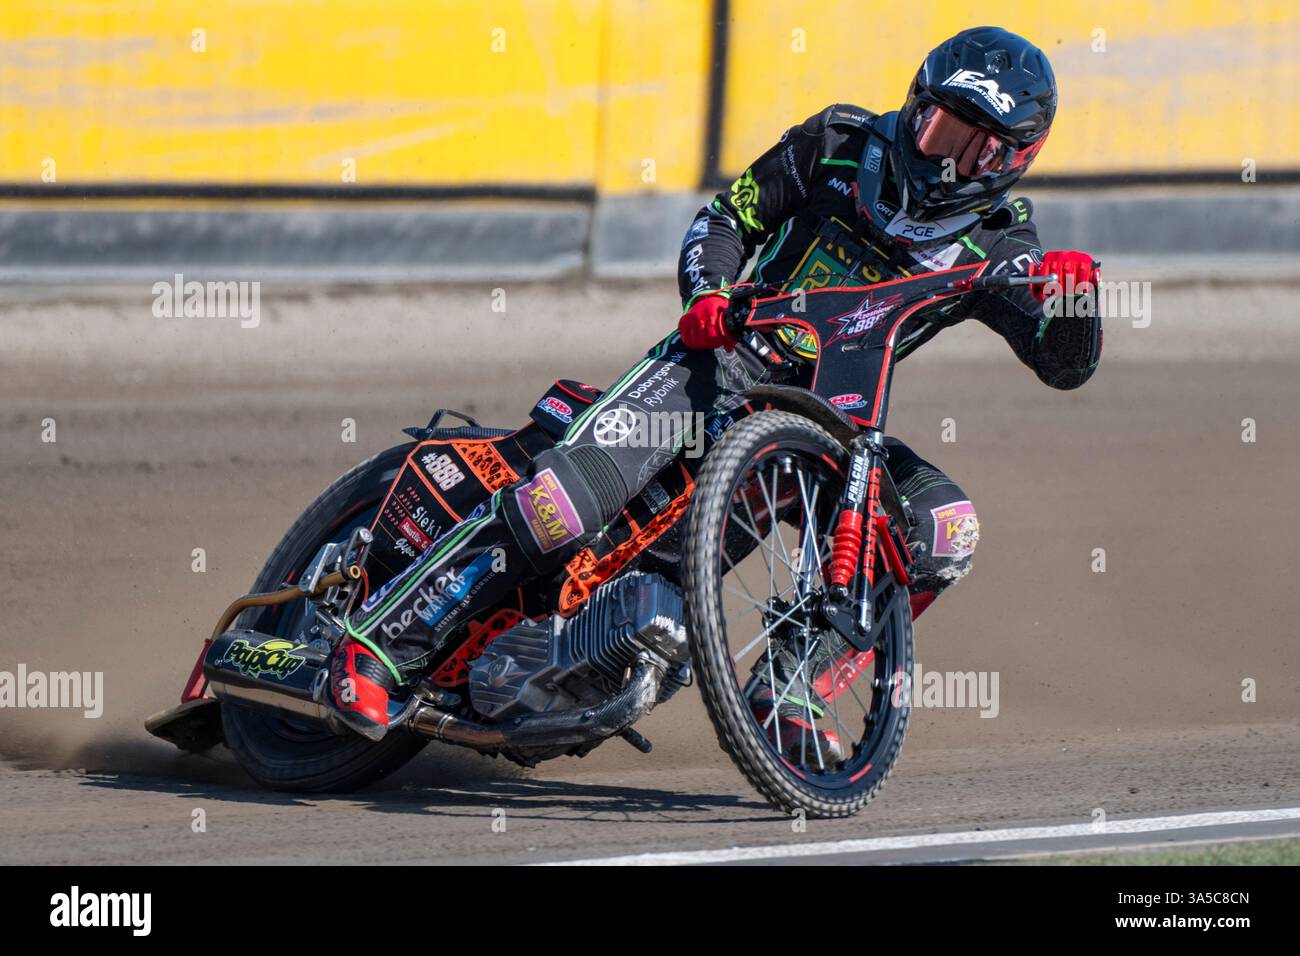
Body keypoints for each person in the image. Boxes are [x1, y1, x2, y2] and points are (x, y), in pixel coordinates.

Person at [328, 26, 1102, 752]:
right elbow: (726, 216)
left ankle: (789, 690)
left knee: (947, 528)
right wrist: (708, 293)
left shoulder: (1003, 243)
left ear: (1010, 161)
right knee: (562, 502)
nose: (942, 158)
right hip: (719, 367)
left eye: (971, 148)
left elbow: (1064, 365)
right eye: (938, 128)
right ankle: (382, 645)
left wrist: (1072, 299)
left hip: (831, 429)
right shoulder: (837, 142)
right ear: (913, 104)